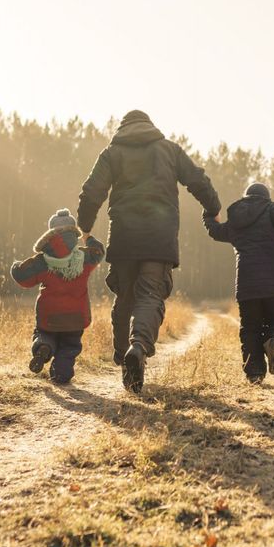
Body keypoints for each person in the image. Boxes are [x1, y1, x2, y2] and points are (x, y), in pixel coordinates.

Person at [77, 109, 222, 393]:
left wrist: (85, 227)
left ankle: (124, 357)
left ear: (123, 128)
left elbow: (92, 190)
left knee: (125, 297)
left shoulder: (112, 153)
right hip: (159, 237)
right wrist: (213, 208)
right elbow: (197, 179)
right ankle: (138, 346)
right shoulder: (168, 149)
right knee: (150, 295)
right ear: (150, 126)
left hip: (123, 236)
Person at [204, 182, 274, 383]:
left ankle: (255, 372)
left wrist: (208, 213)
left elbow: (215, 230)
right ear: (266, 197)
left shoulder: (236, 218)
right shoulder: (271, 209)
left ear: (245, 197)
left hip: (248, 282)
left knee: (250, 327)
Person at [9, 208, 105, 385]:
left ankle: (43, 347)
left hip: (49, 314)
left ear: (50, 233)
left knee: (44, 333)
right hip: (76, 316)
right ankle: (61, 375)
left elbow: (23, 278)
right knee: (69, 347)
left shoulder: (42, 260)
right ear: (73, 233)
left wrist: (15, 266)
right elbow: (99, 251)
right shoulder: (84, 256)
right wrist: (88, 237)